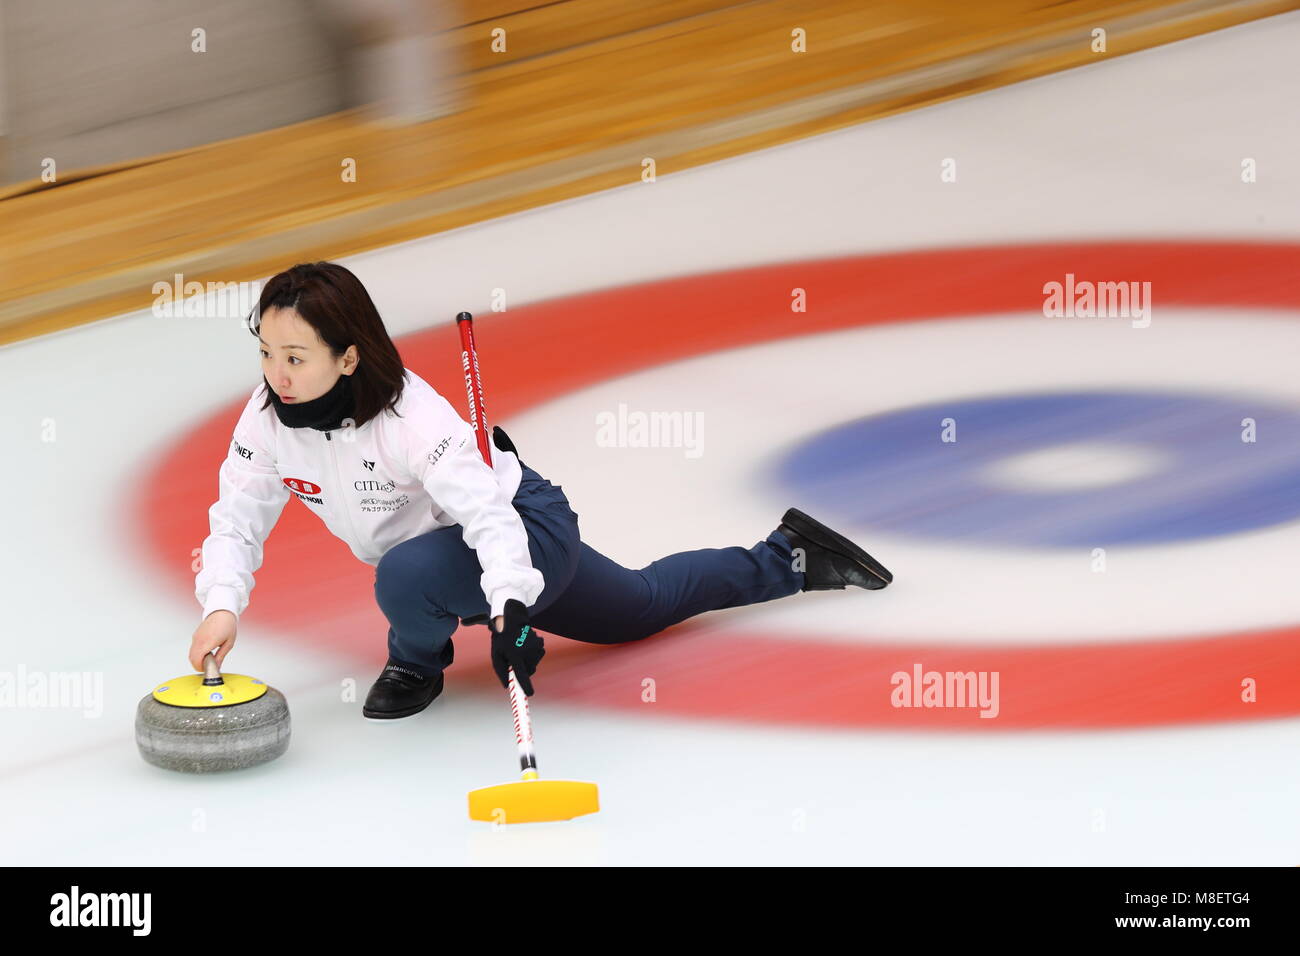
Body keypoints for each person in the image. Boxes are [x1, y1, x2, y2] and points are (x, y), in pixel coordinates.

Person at [190, 262, 893, 719]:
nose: (276, 374)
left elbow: (489, 519)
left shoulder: (412, 418)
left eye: (295, 357)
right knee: (636, 607)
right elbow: (236, 520)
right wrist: (221, 606)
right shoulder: (266, 422)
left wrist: (514, 610)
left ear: (347, 358)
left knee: (411, 577)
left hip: (525, 528)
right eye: (267, 354)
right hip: (458, 554)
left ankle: (414, 663)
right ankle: (792, 553)